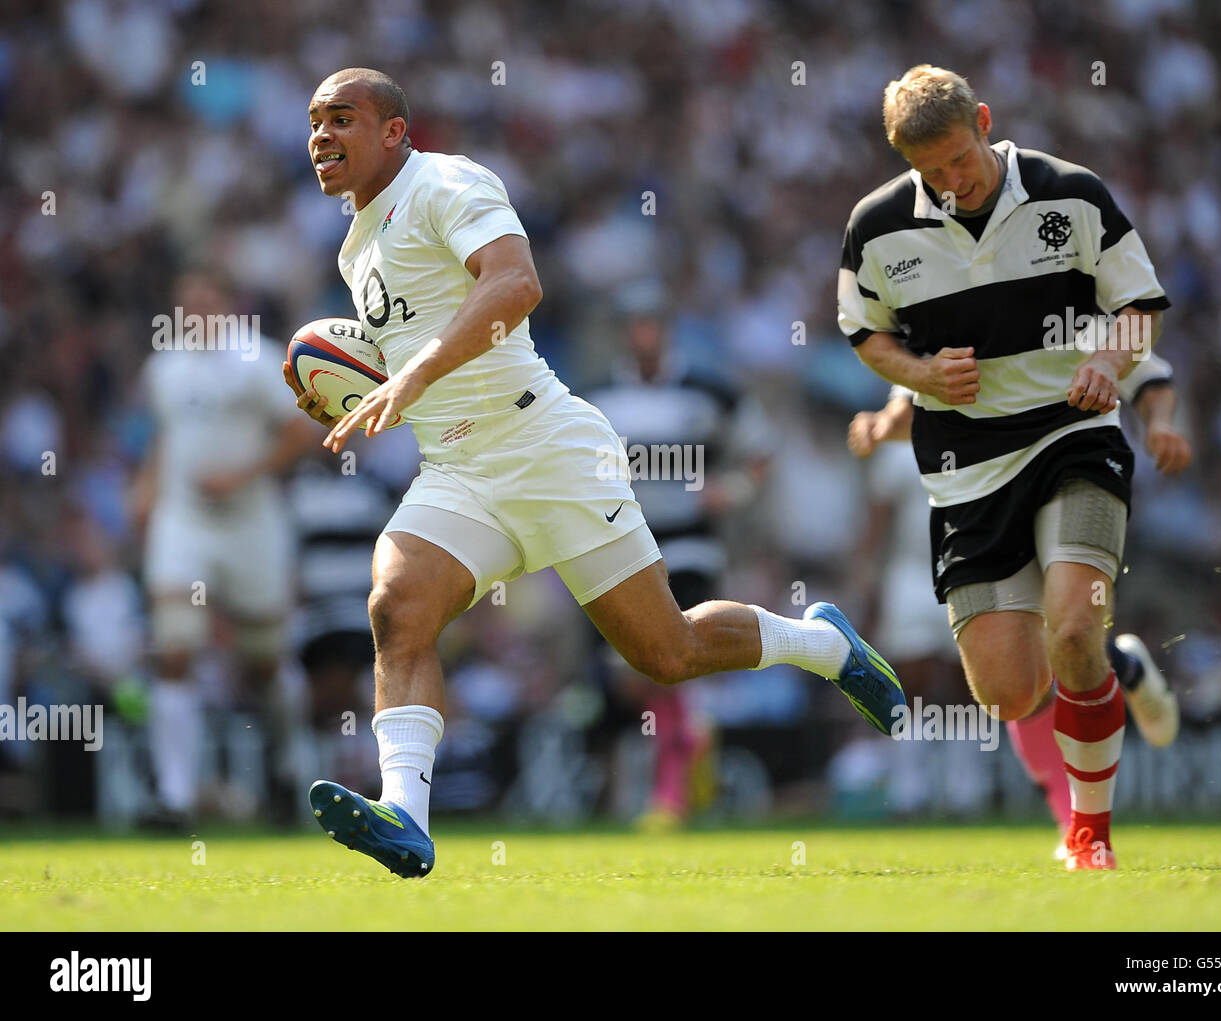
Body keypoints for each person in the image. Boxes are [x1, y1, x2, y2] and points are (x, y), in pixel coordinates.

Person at [286, 68, 902, 877]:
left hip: (546, 447)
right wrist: (364, 391)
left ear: (395, 131)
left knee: (666, 653)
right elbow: (409, 358)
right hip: (459, 468)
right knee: (396, 607)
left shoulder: (447, 180)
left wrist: (417, 373)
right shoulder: (355, 244)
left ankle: (823, 644)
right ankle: (407, 814)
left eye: (342, 118)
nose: (321, 136)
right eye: (313, 123)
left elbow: (516, 283)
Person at [837, 65, 1171, 869]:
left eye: (960, 159)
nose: (952, 182)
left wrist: (1109, 363)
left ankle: (1089, 834)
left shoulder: (1072, 193)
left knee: (1071, 625)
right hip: (965, 470)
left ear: (984, 121)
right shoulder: (876, 227)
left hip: (1071, 436)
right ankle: (1121, 668)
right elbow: (865, 332)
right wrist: (918, 379)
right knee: (1009, 692)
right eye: (931, 172)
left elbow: (1140, 308)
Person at [848, 353, 1189, 847]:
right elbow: (909, 402)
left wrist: (1158, 422)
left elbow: (1140, 350)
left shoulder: (1063, 313)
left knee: (1057, 654)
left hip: (1038, 512)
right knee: (1002, 686)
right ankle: (924, 791)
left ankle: (1059, 816)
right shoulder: (940, 330)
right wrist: (882, 426)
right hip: (945, 553)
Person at [583, 287, 772, 828]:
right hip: (623, 546)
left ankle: (670, 790)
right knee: (632, 672)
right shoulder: (596, 396)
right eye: (634, 325)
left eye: (652, 324)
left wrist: (729, 490)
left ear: (665, 329)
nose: (643, 335)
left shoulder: (708, 390)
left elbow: (759, 450)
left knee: (672, 655)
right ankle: (689, 742)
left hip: (688, 540)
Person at [134, 270, 317, 825]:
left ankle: (293, 767)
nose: (196, 311)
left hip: (250, 523)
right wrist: (145, 487)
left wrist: (242, 475)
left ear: (228, 303)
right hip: (184, 519)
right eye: (187, 302)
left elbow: (300, 432)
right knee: (174, 649)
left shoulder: (259, 361)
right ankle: (175, 798)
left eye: (206, 300)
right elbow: (169, 436)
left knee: (263, 662)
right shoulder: (163, 368)